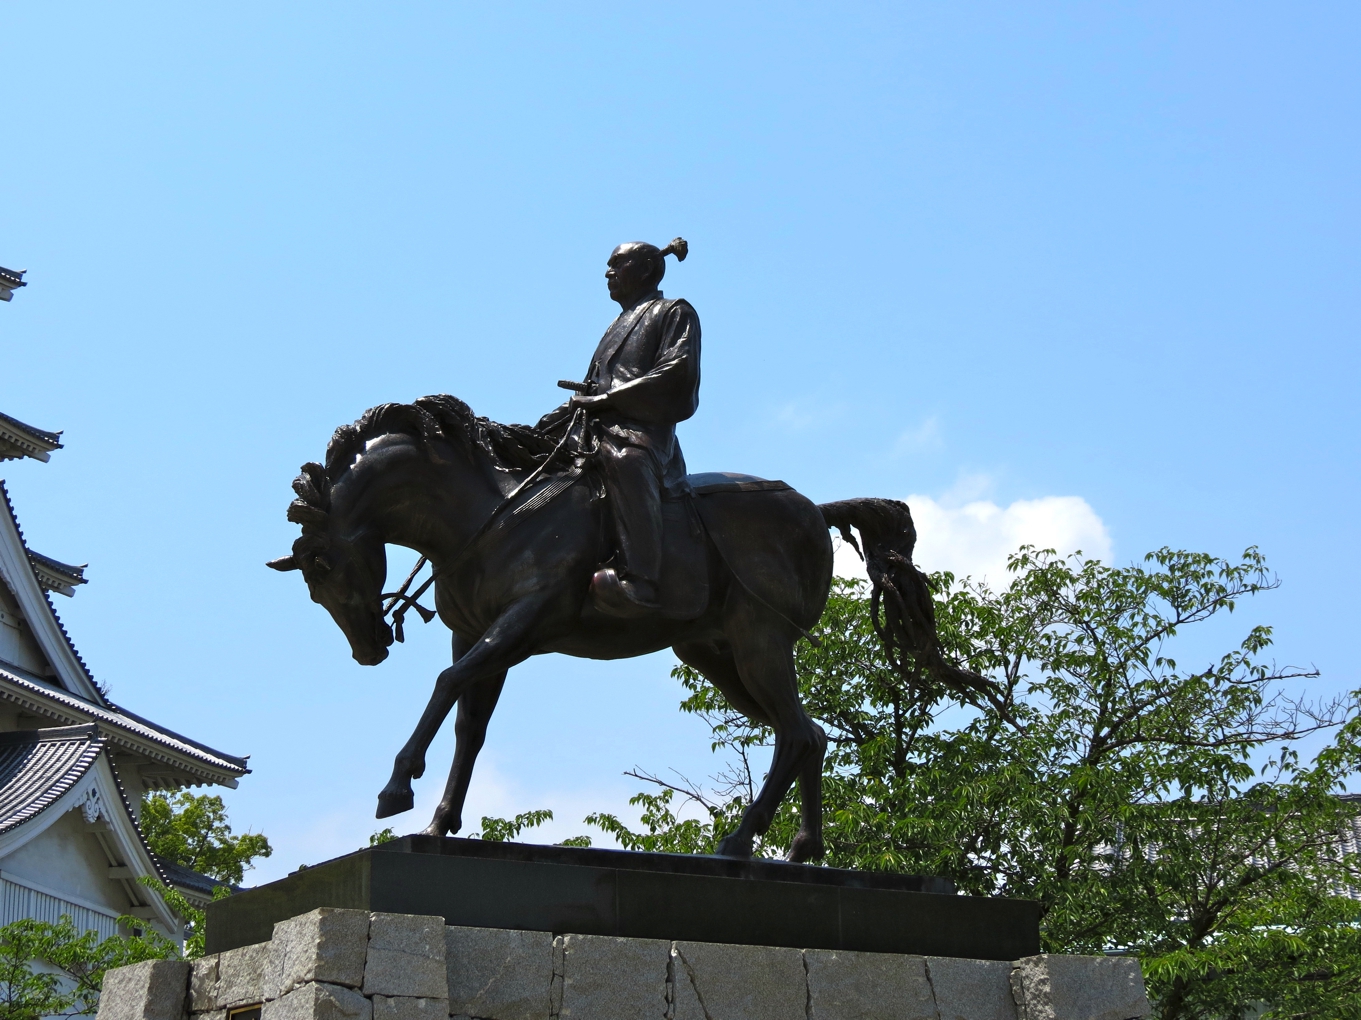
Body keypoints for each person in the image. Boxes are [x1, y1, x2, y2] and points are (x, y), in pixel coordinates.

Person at [537, 239, 699, 617]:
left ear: (646, 269)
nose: (608, 272)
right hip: (594, 426)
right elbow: (593, 387)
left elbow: (676, 371)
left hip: (639, 432)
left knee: (626, 461)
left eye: (617, 264)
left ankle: (641, 578)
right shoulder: (617, 323)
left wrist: (608, 400)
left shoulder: (674, 311)